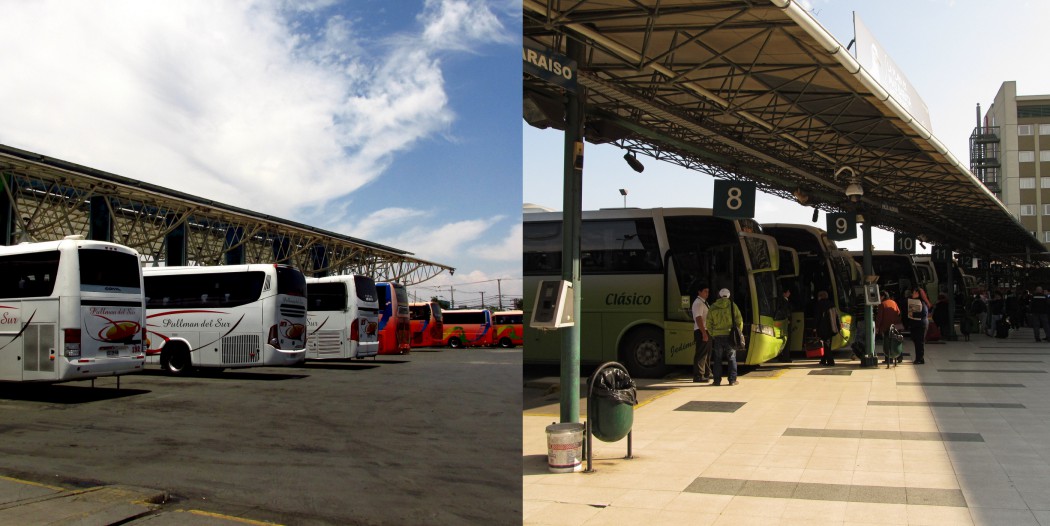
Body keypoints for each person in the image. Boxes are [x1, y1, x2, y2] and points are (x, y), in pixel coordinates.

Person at [707, 288, 742, 386]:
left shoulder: (713, 307)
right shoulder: (732, 306)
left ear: (719, 295)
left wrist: (712, 333)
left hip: (717, 336)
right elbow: (739, 320)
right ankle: (732, 380)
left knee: (717, 359)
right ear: (729, 295)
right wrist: (738, 332)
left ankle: (717, 381)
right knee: (731, 358)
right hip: (730, 336)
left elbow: (708, 323)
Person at [691, 284, 713, 383]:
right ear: (699, 292)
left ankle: (707, 373)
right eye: (705, 291)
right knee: (701, 353)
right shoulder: (698, 303)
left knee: (707, 353)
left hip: (705, 330)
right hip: (701, 330)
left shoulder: (703, 302)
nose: (707, 293)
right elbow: (698, 318)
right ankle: (698, 375)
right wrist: (703, 333)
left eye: (708, 291)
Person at [875, 290, 903, 364]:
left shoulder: (882, 304)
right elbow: (899, 313)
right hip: (896, 326)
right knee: (897, 341)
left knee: (887, 342)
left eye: (880, 296)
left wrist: (877, 327)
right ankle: (899, 357)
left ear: (883, 296)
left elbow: (879, 317)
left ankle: (888, 359)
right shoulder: (894, 302)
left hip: (886, 327)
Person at [813, 290, 839, 366]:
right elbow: (837, 316)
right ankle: (823, 360)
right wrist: (838, 326)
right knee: (827, 344)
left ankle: (831, 361)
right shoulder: (832, 304)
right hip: (832, 327)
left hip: (823, 328)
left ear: (820, 297)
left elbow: (817, 317)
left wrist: (814, 327)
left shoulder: (819, 305)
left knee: (826, 345)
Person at [906, 289, 928, 364]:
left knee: (919, 342)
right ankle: (919, 358)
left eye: (915, 292)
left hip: (920, 325)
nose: (913, 293)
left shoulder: (921, 302)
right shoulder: (914, 301)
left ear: (918, 294)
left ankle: (919, 359)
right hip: (915, 324)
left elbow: (924, 313)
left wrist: (913, 314)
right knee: (917, 341)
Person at [774, 287, 794, 363]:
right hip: (785, 322)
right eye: (788, 292)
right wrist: (788, 319)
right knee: (787, 340)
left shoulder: (782, 301)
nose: (789, 293)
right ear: (784, 293)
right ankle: (786, 357)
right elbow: (785, 311)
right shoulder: (783, 301)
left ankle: (783, 356)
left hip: (783, 322)